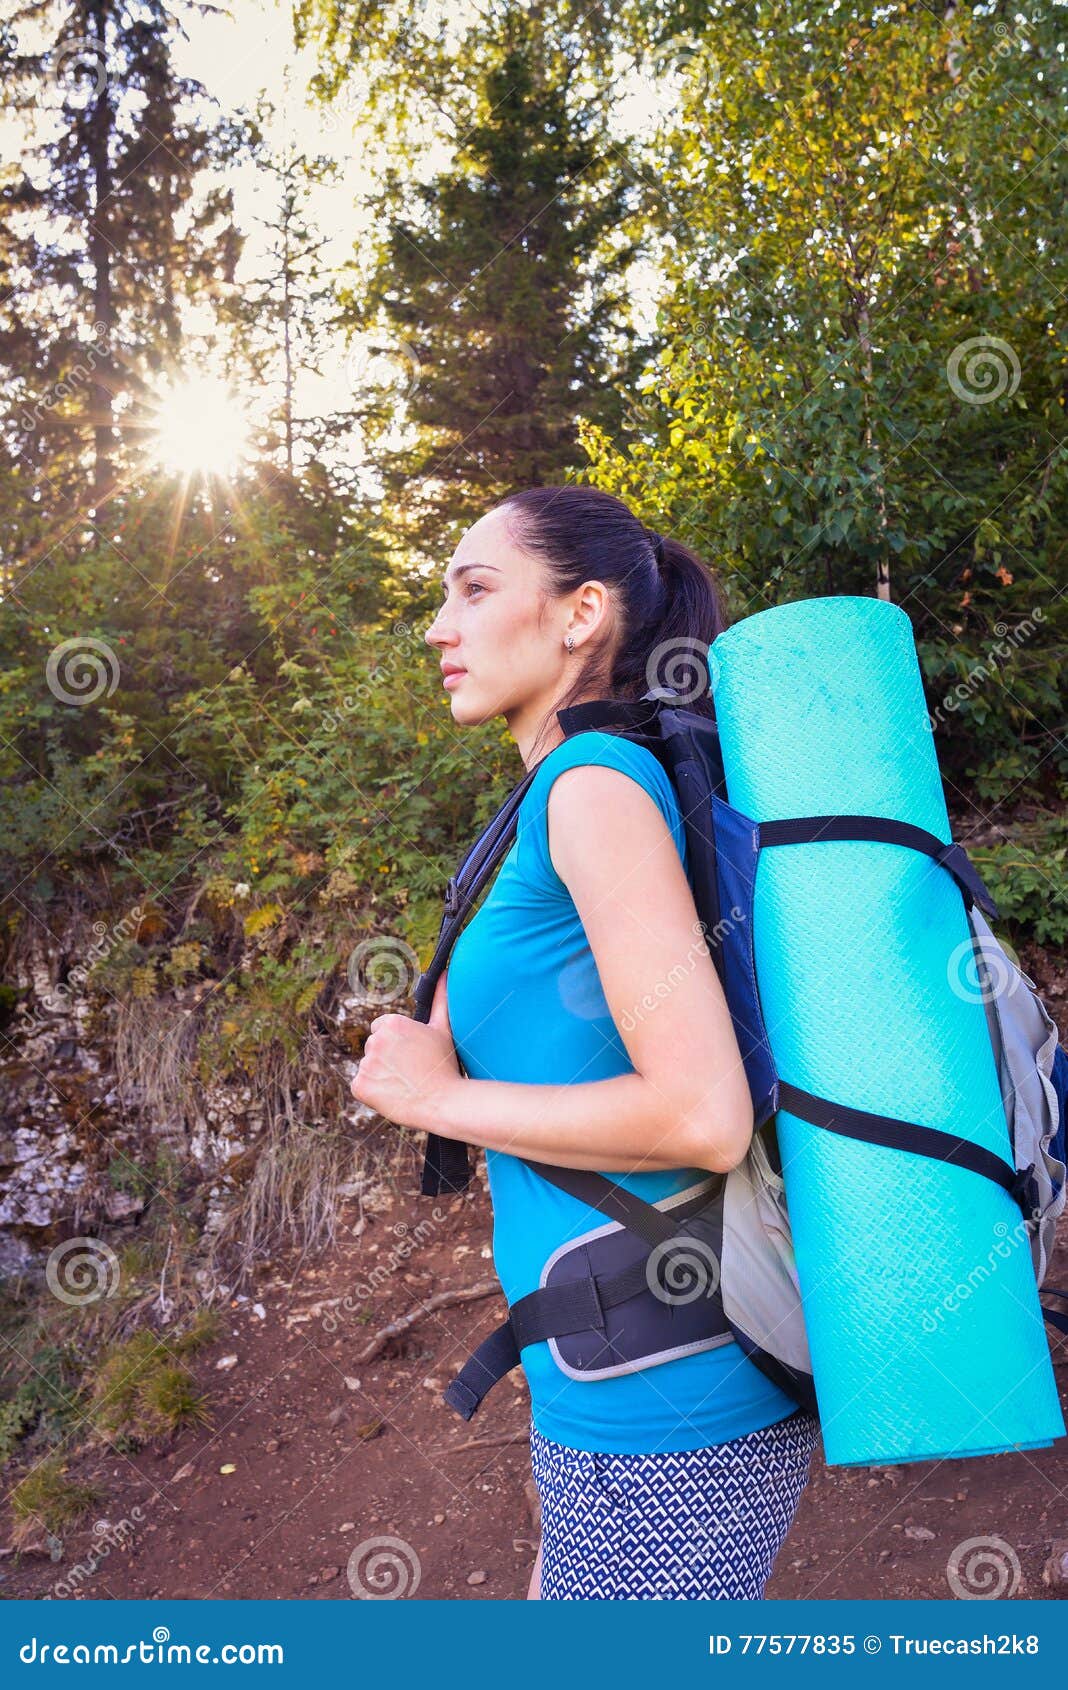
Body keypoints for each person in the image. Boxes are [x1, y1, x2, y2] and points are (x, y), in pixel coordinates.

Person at [351, 484, 820, 1600]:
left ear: (581, 613)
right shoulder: (555, 794)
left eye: (473, 589)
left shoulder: (596, 789)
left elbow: (700, 1114)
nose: (439, 625)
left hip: (670, 1403)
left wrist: (436, 1100)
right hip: (610, 1370)